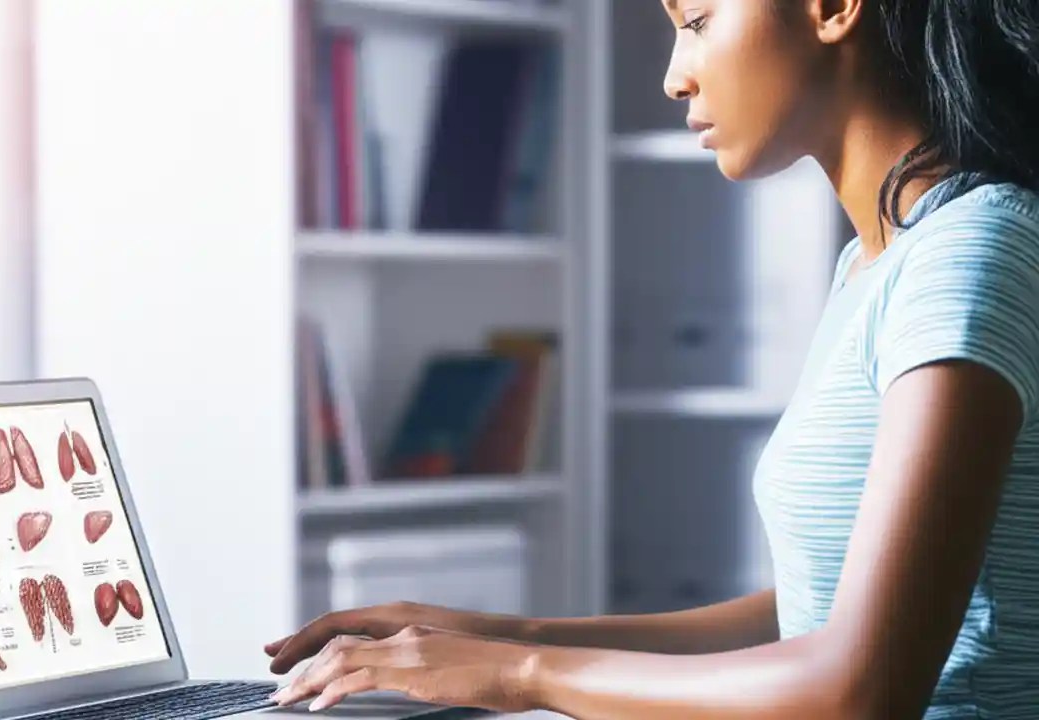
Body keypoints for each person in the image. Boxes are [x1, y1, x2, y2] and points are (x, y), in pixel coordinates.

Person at [262, 0, 1039, 717]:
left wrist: (514, 674)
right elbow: (818, 611)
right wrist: (496, 635)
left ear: (833, 8)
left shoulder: (969, 254)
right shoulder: (875, 267)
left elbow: (860, 689)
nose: (674, 76)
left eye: (696, 19)